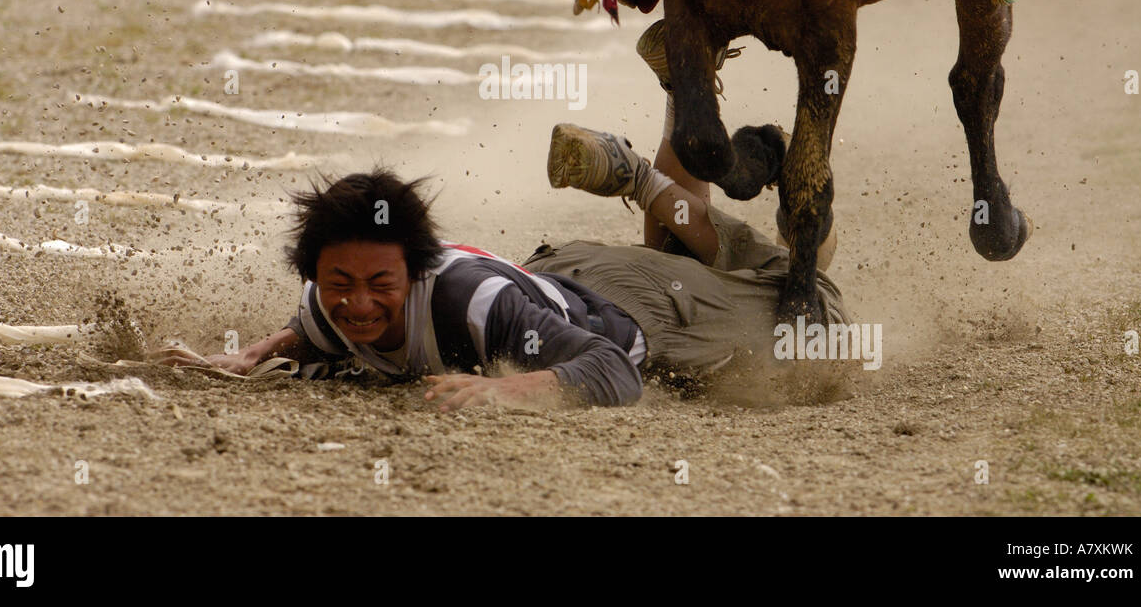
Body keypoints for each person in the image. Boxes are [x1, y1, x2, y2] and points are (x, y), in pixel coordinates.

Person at [157, 45, 846, 408]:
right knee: (681, 257)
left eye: (376, 284)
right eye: (340, 284)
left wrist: (511, 386)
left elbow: (614, 368)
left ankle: (680, 180)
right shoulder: (330, 302)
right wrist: (248, 354)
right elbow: (311, 327)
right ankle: (667, 122)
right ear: (315, 276)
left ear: (412, 271)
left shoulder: (467, 304)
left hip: (633, 311)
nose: (357, 302)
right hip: (562, 280)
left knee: (819, 320)